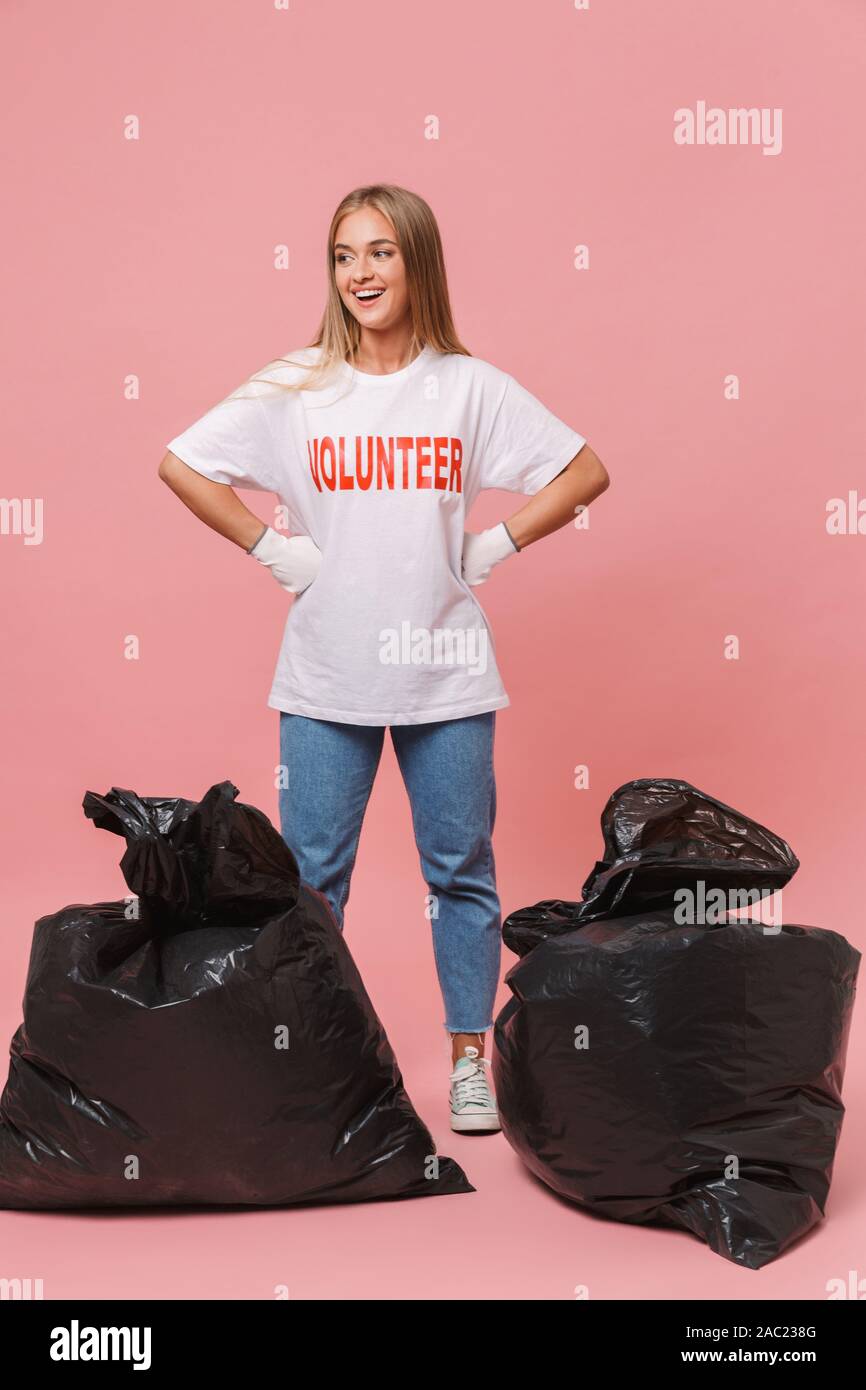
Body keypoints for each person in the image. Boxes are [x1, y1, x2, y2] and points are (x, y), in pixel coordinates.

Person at [159, 183, 609, 1133]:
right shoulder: (298, 386)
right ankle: (310, 1057)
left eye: (380, 253)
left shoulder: (468, 388)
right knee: (312, 879)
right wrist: (271, 549)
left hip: (446, 670)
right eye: (342, 255)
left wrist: (495, 544)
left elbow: (584, 471)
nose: (360, 273)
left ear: (418, 262)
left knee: (461, 870)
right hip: (327, 674)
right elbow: (183, 465)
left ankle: (467, 1062)